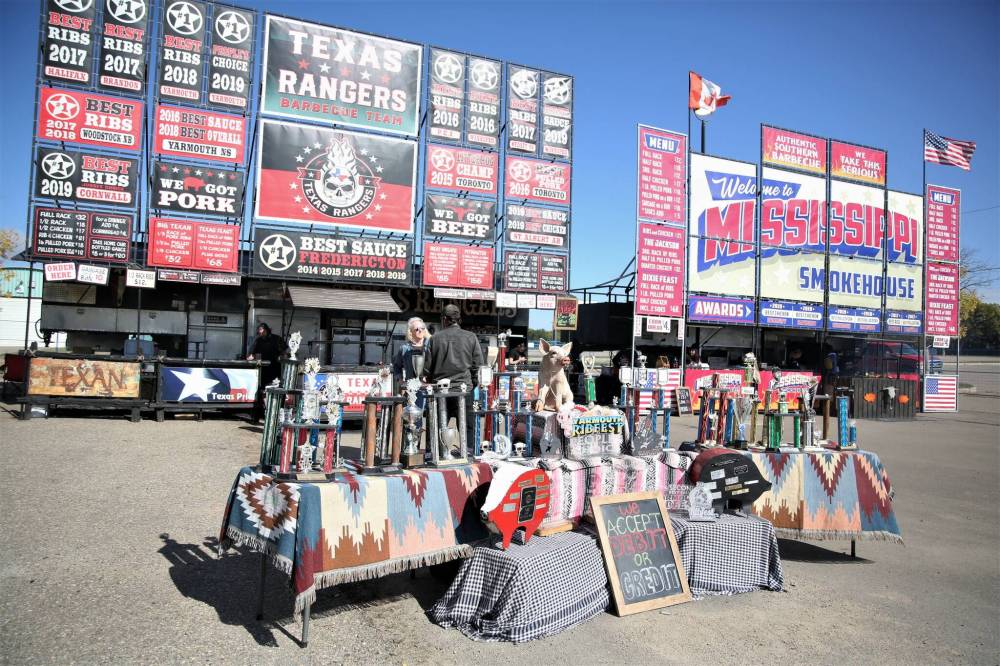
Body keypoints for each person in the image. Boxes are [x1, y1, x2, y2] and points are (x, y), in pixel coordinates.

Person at [423, 305, 484, 386]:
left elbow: (427, 368)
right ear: (459, 319)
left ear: (444, 319)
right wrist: (473, 383)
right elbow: (478, 365)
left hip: (440, 387)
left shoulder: (434, 338)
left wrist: (432, 382)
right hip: (464, 386)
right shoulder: (470, 337)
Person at [247, 322, 287, 423]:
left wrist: (282, 357)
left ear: (266, 330)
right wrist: (250, 357)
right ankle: (263, 413)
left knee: (277, 390)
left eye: (262, 330)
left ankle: (279, 412)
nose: (260, 332)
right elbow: (251, 354)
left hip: (276, 369)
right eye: (259, 330)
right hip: (263, 371)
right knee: (262, 391)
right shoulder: (258, 340)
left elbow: (284, 352)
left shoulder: (277, 339)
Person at [392, 317, 430, 385]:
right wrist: (400, 380)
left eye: (422, 328)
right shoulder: (404, 349)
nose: (420, 330)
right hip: (411, 387)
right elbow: (397, 366)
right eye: (417, 329)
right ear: (410, 331)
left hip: (429, 386)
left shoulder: (431, 345)